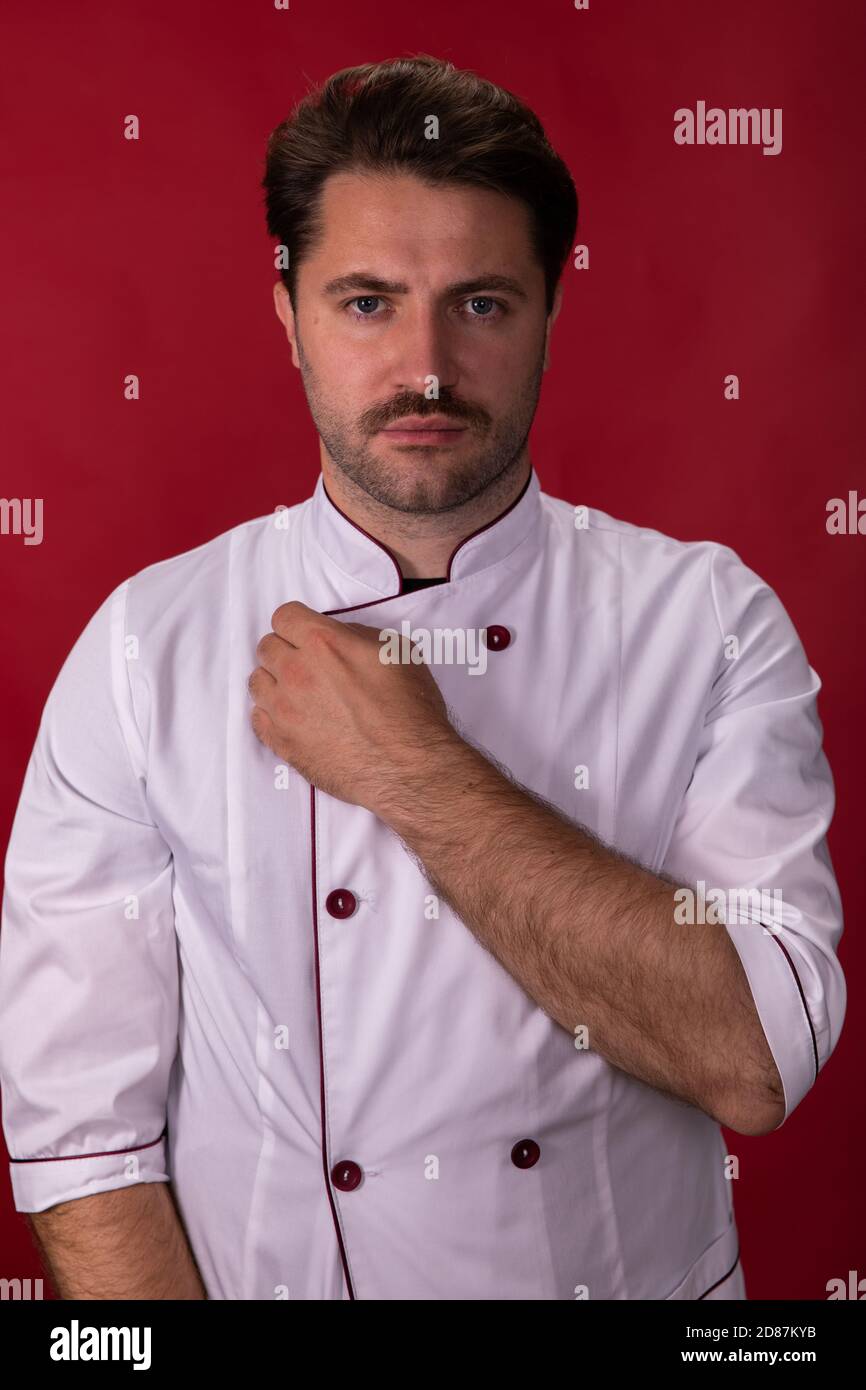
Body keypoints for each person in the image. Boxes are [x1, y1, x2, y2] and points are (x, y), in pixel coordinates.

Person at [0, 54, 845, 1301]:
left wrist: (409, 764)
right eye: (364, 302)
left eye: (482, 303)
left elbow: (754, 1060)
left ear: (551, 309)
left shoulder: (707, 621)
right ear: (285, 312)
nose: (426, 366)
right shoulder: (147, 647)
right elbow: (84, 1138)